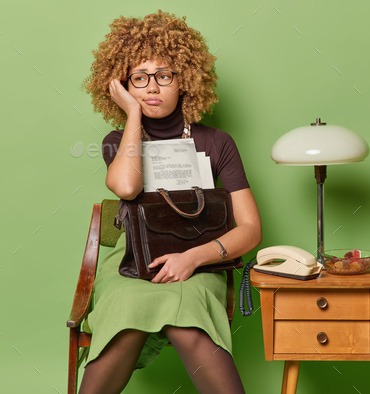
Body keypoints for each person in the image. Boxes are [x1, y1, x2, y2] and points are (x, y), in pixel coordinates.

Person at [79, 10, 262, 394]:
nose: (151, 88)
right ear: (123, 84)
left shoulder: (217, 142)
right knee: (127, 307)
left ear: (185, 79)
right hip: (133, 261)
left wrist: (192, 258)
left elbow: (250, 230)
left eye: (163, 76)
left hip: (202, 260)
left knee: (190, 310)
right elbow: (127, 188)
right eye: (139, 78)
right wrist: (132, 115)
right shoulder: (119, 140)